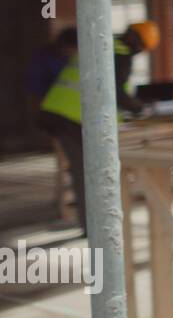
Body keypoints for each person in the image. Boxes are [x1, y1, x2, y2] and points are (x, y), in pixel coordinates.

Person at [38, 21, 159, 232]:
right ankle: (92, 228)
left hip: (63, 113)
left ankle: (92, 222)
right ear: (139, 44)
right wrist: (141, 109)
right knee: (86, 171)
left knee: (85, 168)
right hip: (71, 117)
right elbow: (117, 94)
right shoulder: (120, 55)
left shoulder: (105, 44)